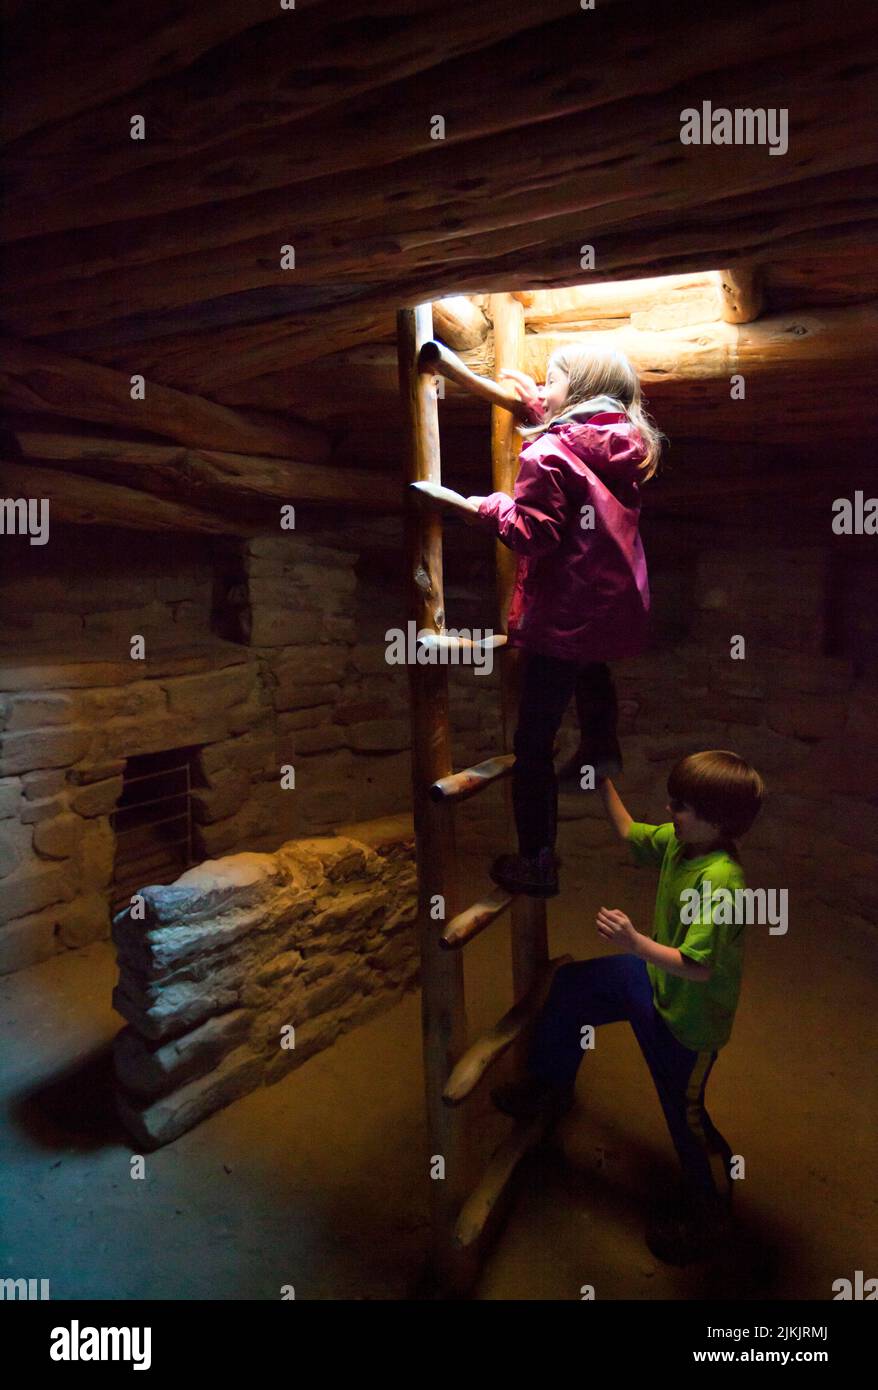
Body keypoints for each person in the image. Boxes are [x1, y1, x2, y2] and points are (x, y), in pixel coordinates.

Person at [491, 750, 766, 1265]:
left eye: (681, 805)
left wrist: (633, 942)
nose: (670, 809)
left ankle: (710, 1212)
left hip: (688, 1020)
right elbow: (629, 831)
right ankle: (550, 1087)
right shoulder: (680, 844)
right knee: (571, 989)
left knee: (684, 1117)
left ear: (716, 820)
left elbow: (698, 966)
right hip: (653, 981)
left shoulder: (724, 881)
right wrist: (602, 781)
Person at [465, 344, 664, 896]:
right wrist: (541, 410)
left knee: (533, 742)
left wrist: (491, 506)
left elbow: (533, 533)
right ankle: (601, 745)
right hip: (610, 603)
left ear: (572, 391)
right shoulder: (628, 446)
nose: (541, 392)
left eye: (550, 383)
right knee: (591, 666)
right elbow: (579, 452)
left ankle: (538, 861)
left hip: (564, 612)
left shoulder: (547, 452)